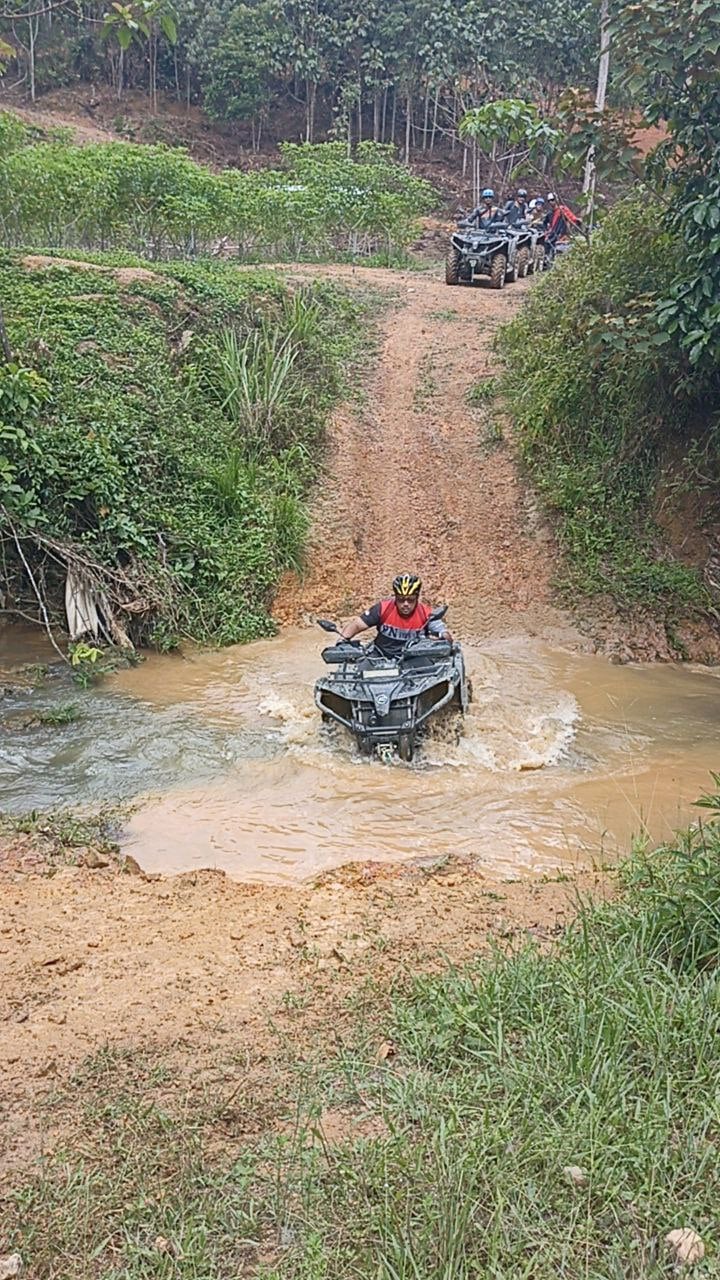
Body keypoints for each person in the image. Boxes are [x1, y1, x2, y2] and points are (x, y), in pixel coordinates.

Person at [336, 573, 453, 660]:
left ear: (417, 598)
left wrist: (441, 637)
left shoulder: (426, 614)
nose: (405, 604)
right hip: (380, 656)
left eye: (410, 600)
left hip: (414, 659)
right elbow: (357, 625)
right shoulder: (383, 609)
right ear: (395, 597)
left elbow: (445, 634)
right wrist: (342, 641)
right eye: (401, 599)